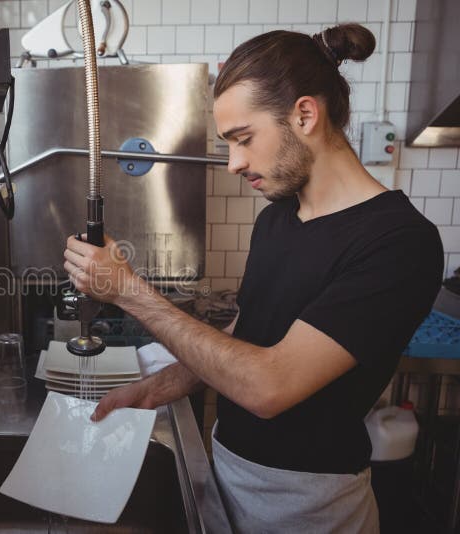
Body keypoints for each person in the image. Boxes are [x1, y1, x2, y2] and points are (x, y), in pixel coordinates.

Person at [63, 23, 444, 533]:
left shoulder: (398, 241)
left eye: (243, 139)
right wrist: (162, 386)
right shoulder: (276, 219)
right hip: (227, 478)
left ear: (305, 114)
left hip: (309, 511)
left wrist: (128, 291)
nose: (233, 163)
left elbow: (270, 385)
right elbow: (247, 338)